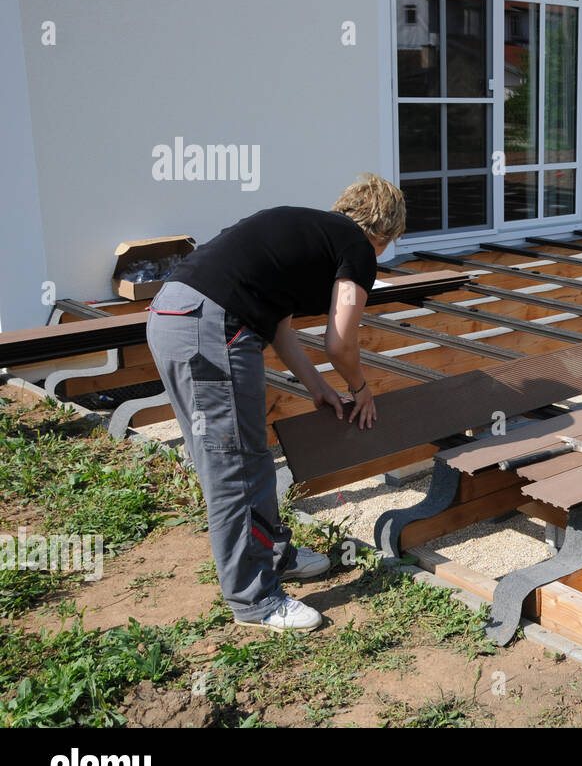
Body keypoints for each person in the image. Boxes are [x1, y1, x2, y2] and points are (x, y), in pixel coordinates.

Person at [145, 173, 406, 632]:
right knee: (238, 465)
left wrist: (317, 387)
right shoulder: (358, 247)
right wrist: (360, 387)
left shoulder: (305, 231)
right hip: (211, 328)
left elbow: (281, 328)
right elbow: (340, 342)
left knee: (229, 459)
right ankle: (255, 599)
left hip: (172, 315)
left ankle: (272, 554)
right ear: (384, 234)